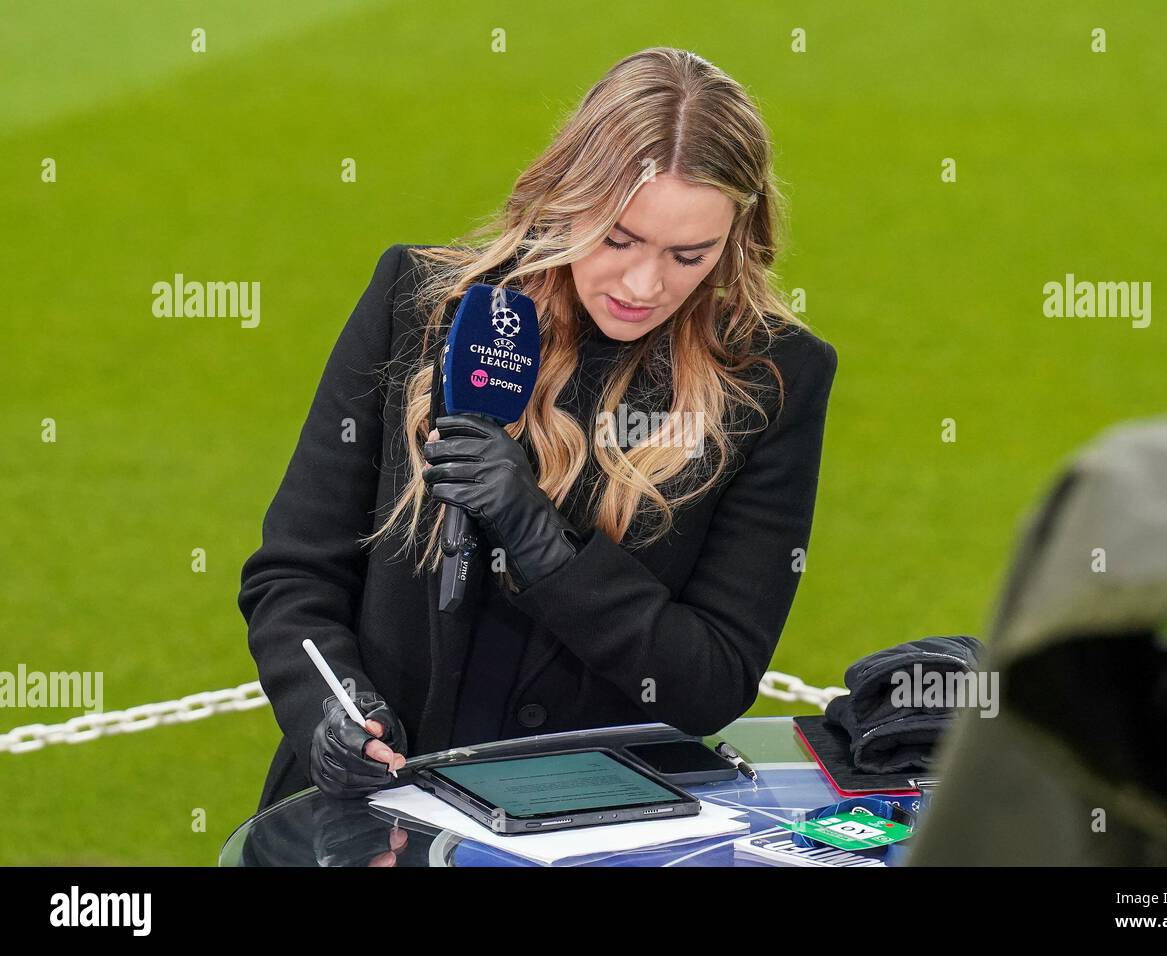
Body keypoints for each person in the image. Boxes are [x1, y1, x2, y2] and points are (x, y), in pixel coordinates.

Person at [237, 47, 839, 815]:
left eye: (690, 255)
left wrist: (541, 541)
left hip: (596, 830)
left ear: (740, 237)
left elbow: (711, 682)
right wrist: (329, 710)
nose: (644, 285)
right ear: (566, 196)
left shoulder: (774, 378)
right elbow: (293, 575)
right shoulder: (420, 302)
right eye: (618, 239)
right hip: (379, 816)